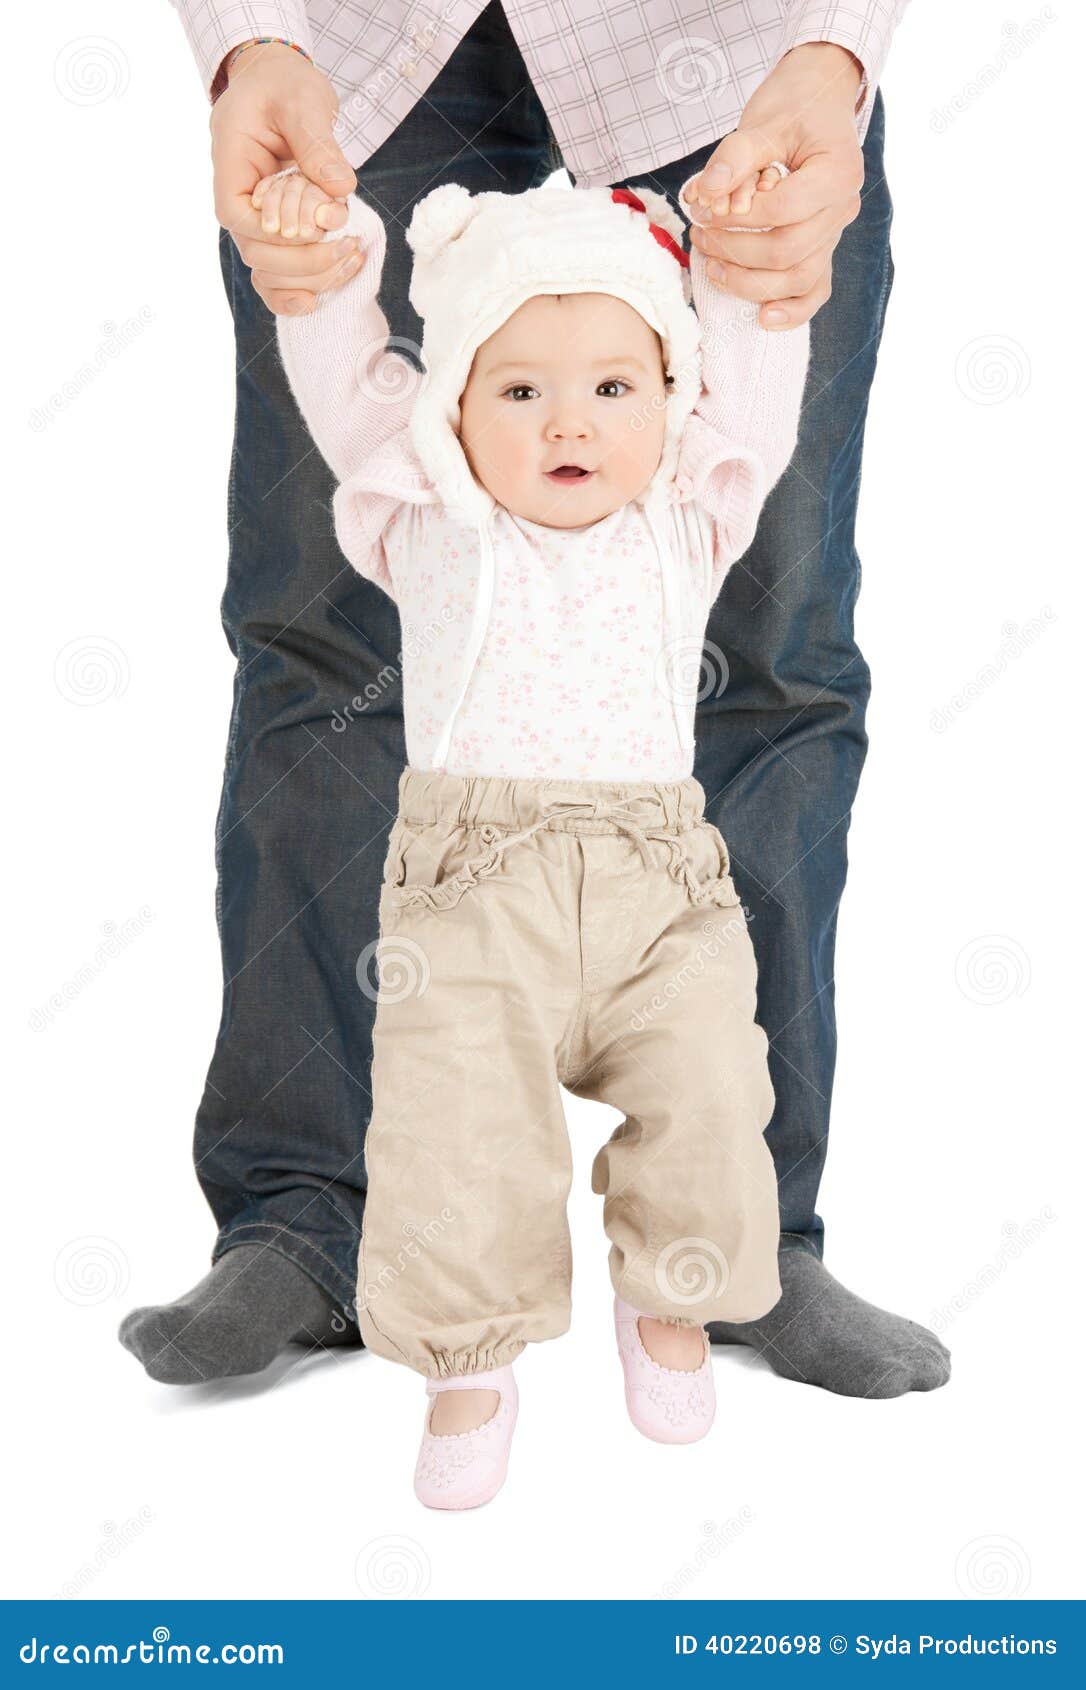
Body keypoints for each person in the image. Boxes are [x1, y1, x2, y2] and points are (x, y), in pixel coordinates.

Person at [121, 1, 950, 1403]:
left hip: (729, 55)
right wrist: (249, 42)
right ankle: (305, 1215)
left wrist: (833, 53)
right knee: (323, 645)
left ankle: (744, 1235)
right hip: (368, 53)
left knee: (772, 651)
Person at [267, 155, 806, 1506]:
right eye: (519, 391)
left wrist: (740, 255)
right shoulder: (435, 520)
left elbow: (749, 373)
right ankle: (467, 1359)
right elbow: (347, 382)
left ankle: (671, 1288)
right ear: (454, 413)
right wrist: (323, 243)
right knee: (455, 1130)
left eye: (612, 389)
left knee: (709, 1086)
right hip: (469, 886)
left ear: (670, 405)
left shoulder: (687, 517)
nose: (569, 423)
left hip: (656, 888)